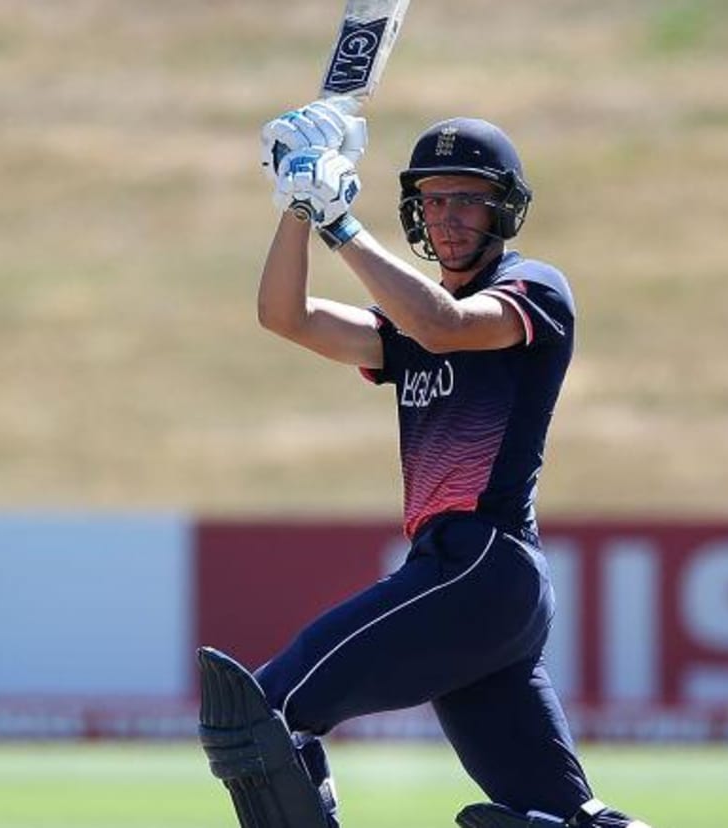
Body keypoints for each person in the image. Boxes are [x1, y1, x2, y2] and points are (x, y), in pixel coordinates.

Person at [195, 102, 652, 828]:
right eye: (434, 199)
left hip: (479, 567)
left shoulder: (534, 289)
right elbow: (286, 317)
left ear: (506, 208)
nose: (449, 216)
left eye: (469, 198)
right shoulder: (404, 326)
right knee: (556, 817)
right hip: (475, 588)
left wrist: (341, 223)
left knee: (266, 712)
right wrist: (296, 202)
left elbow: (444, 325)